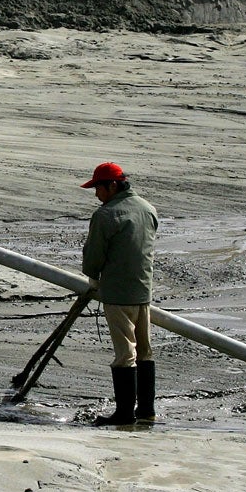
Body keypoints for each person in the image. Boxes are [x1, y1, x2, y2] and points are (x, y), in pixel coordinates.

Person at [80, 162, 159, 425]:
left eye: (98, 188)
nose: (96, 194)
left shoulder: (106, 215)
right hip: (143, 290)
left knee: (125, 354)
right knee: (145, 350)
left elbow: (94, 255)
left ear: (112, 185)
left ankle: (124, 414)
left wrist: (92, 275)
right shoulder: (148, 209)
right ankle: (146, 410)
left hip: (117, 293)